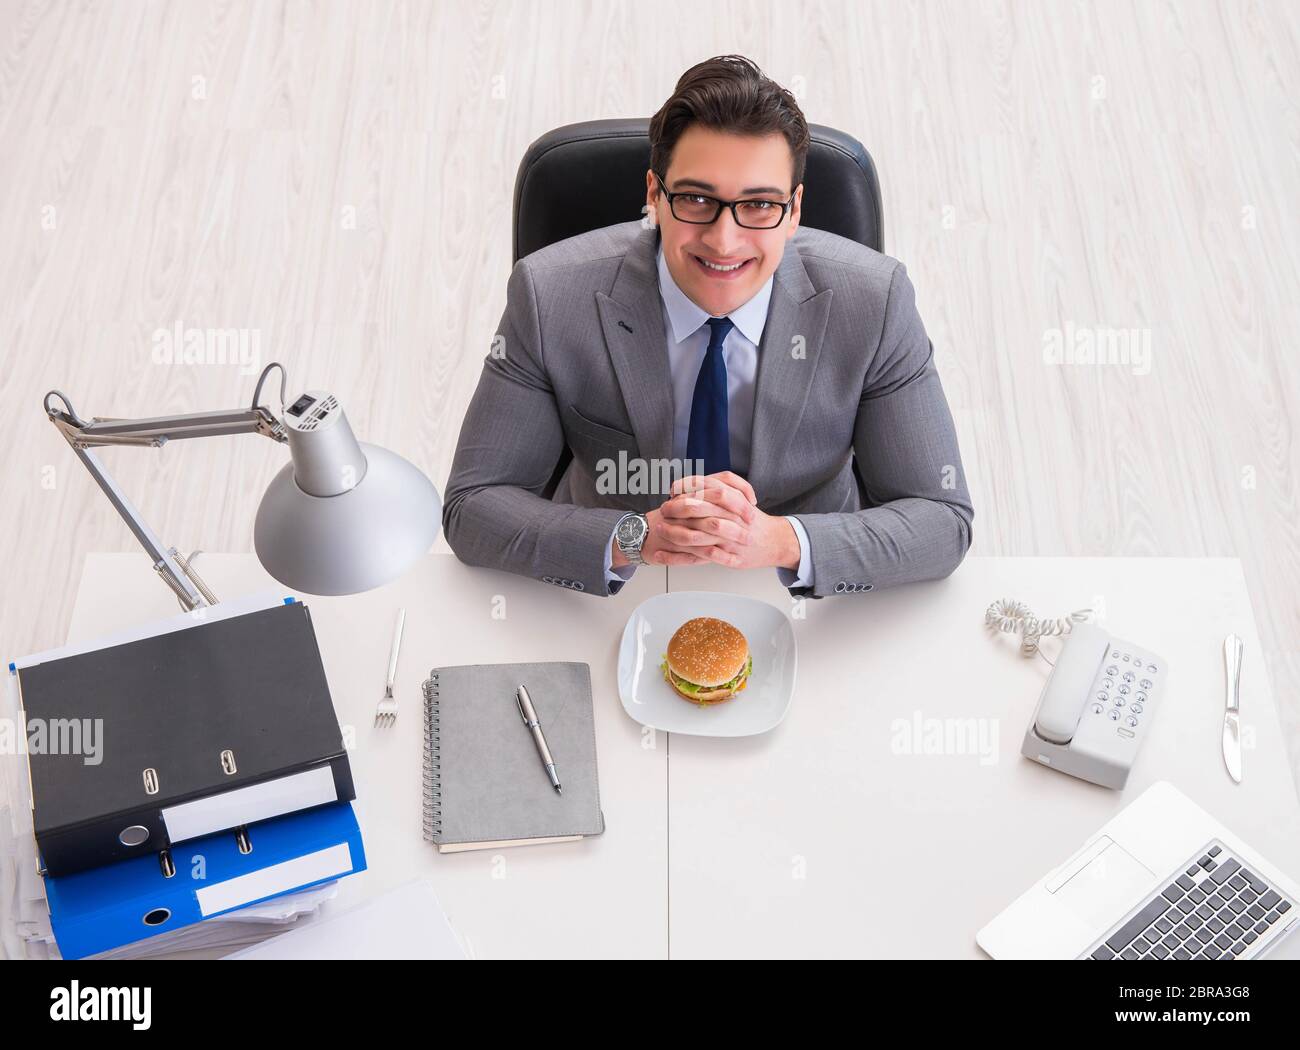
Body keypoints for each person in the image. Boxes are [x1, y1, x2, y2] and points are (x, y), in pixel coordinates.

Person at [442, 55, 973, 599]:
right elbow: (473, 504)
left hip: (803, 583)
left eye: (760, 204)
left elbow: (942, 519)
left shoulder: (876, 300)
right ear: (654, 194)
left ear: (794, 211)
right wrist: (634, 537)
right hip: (615, 580)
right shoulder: (548, 294)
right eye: (696, 199)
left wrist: (783, 541)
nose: (724, 241)